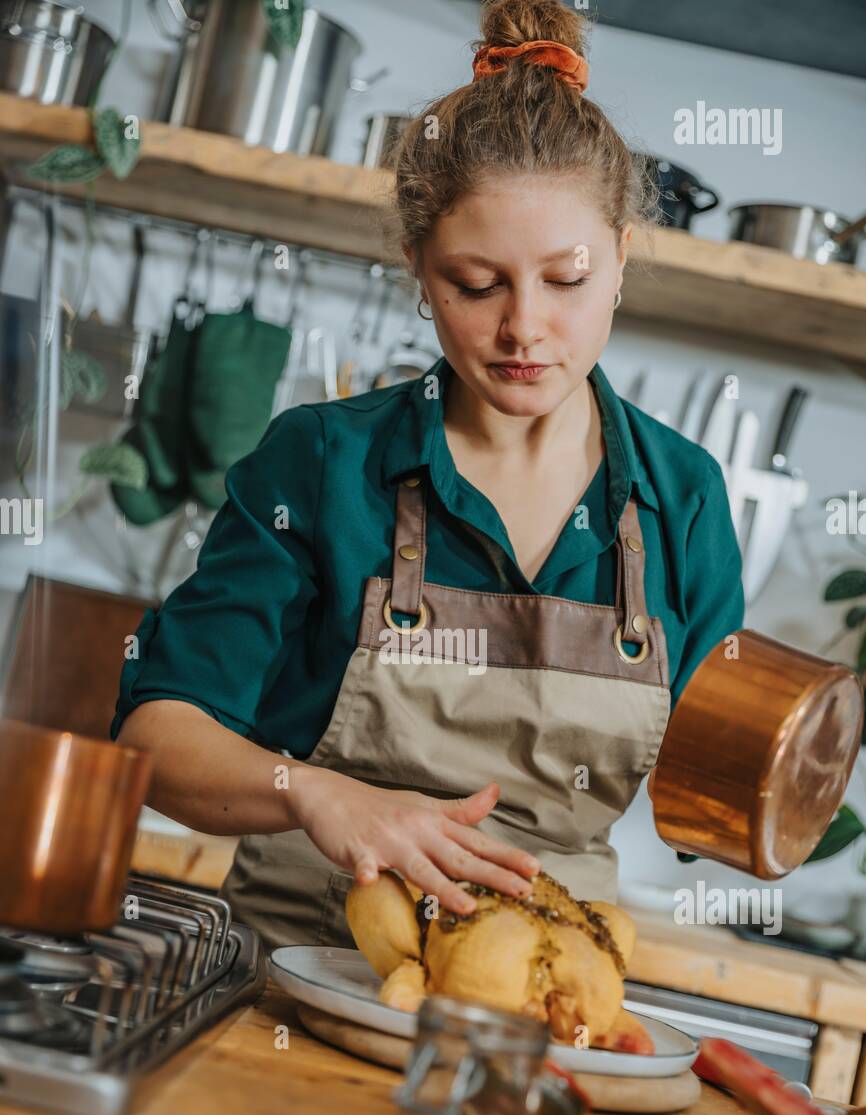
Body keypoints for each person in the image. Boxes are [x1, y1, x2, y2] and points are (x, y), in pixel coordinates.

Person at [112, 0, 744, 952]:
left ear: (620, 257)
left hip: (537, 990)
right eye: (476, 283)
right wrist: (313, 792)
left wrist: (801, 762)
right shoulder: (322, 461)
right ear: (418, 266)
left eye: (566, 281)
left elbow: (719, 804)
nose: (523, 328)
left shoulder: (682, 496)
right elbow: (155, 739)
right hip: (294, 974)